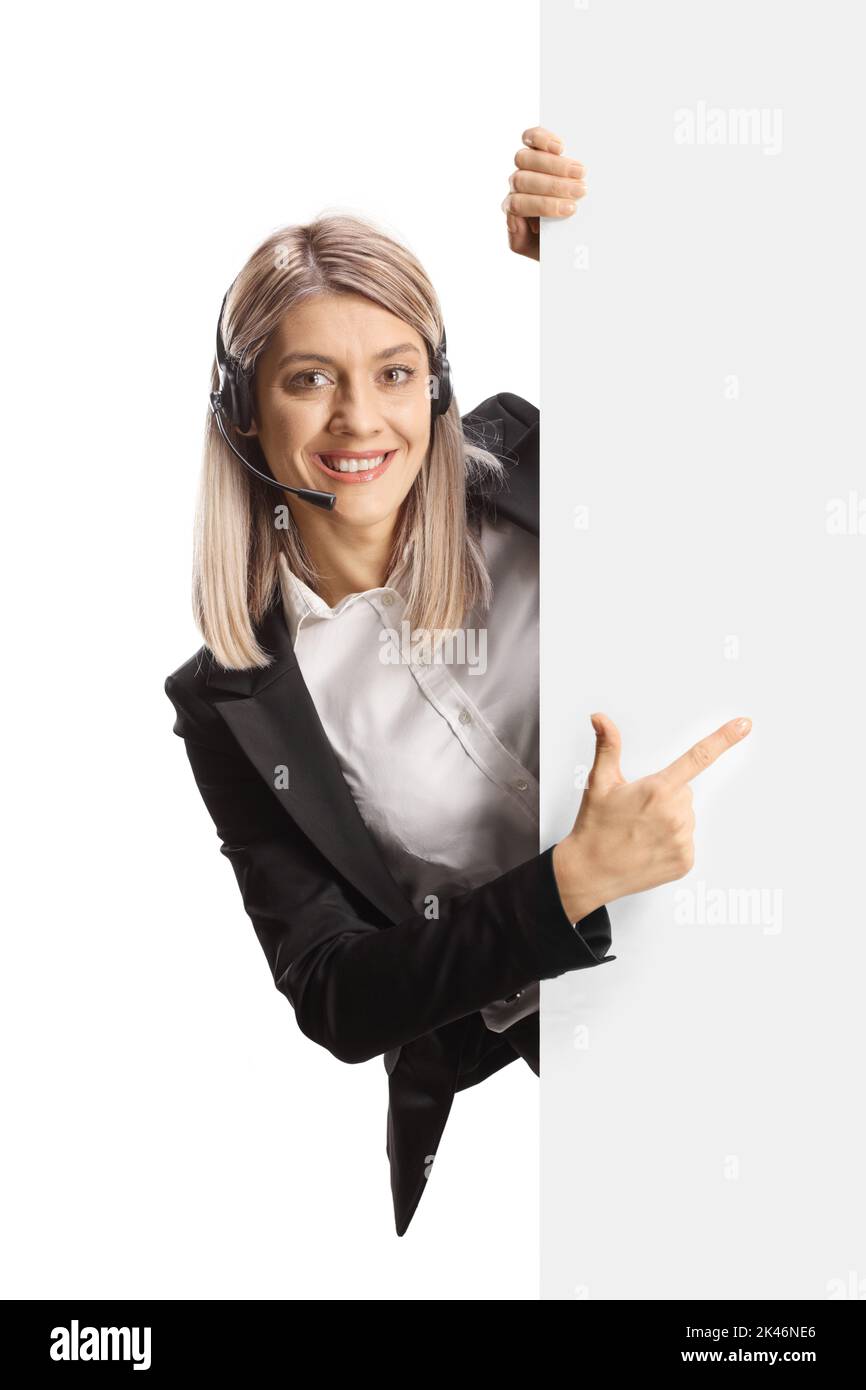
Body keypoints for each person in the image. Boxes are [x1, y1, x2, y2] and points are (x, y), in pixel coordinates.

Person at [165, 126, 751, 1237]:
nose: (359, 421)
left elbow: (731, 441)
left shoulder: (528, 462)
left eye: (393, 373)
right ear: (245, 411)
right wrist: (568, 883)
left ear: (433, 384)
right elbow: (337, 992)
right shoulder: (233, 700)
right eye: (308, 381)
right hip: (562, 1065)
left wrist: (598, 265)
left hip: (763, 931)